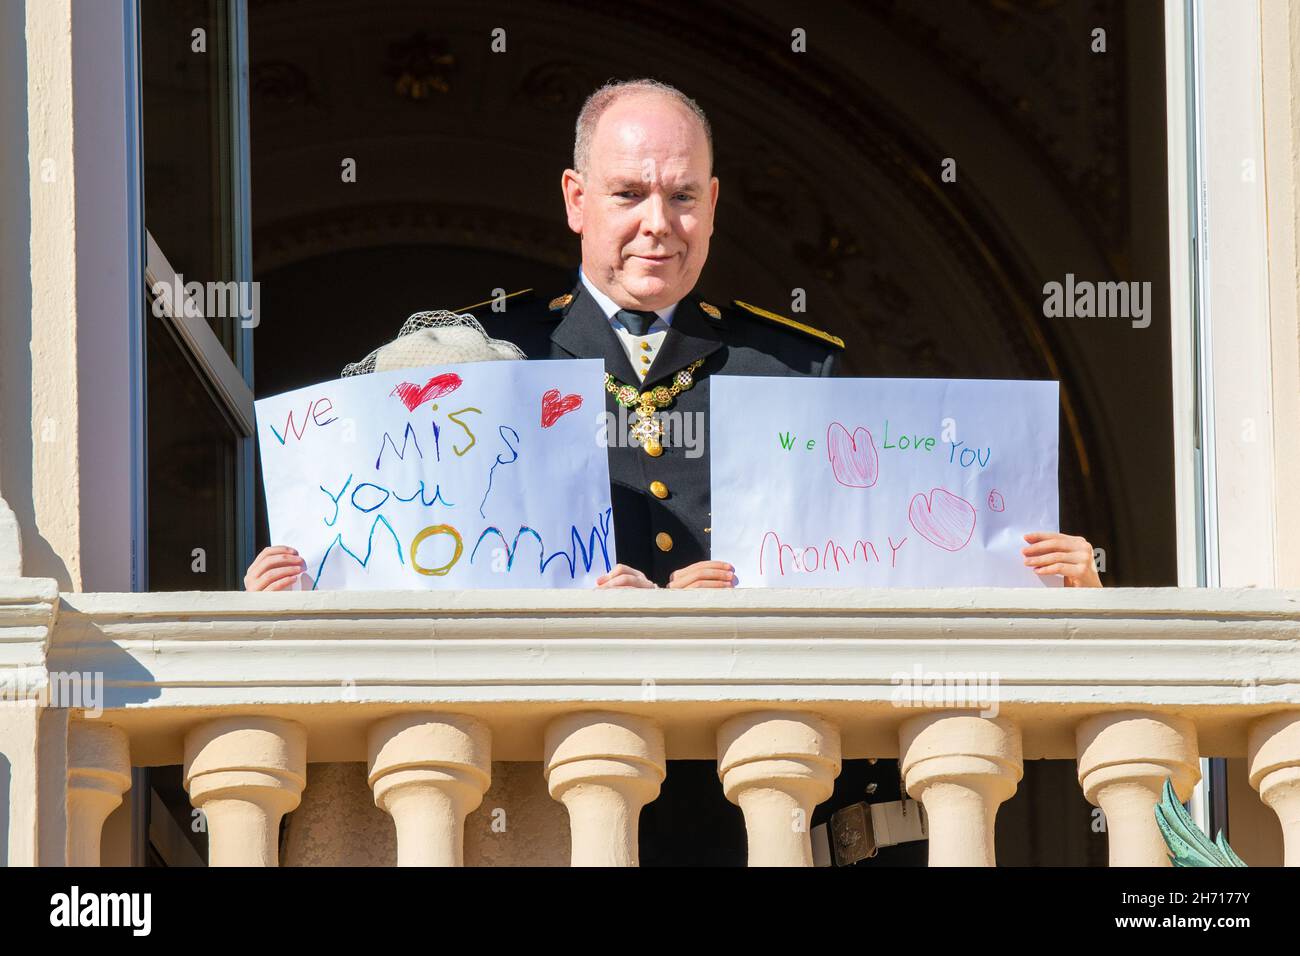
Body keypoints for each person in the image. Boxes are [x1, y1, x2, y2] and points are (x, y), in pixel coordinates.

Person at [246, 78, 1101, 592]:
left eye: (683, 196)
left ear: (715, 204)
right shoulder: (491, 357)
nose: (659, 223)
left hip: (743, 784)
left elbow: (885, 566)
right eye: (630, 195)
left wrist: (1047, 579)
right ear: (577, 199)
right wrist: (308, 583)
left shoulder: (794, 369)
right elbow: (403, 538)